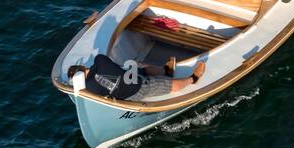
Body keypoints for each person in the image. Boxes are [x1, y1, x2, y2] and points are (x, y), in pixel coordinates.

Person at [69, 55, 207, 102]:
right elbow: (113, 66)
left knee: (141, 69)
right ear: (82, 66)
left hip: (125, 97)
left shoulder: (88, 89)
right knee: (168, 85)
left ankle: (166, 70)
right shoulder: (99, 60)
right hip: (138, 89)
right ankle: (192, 79)